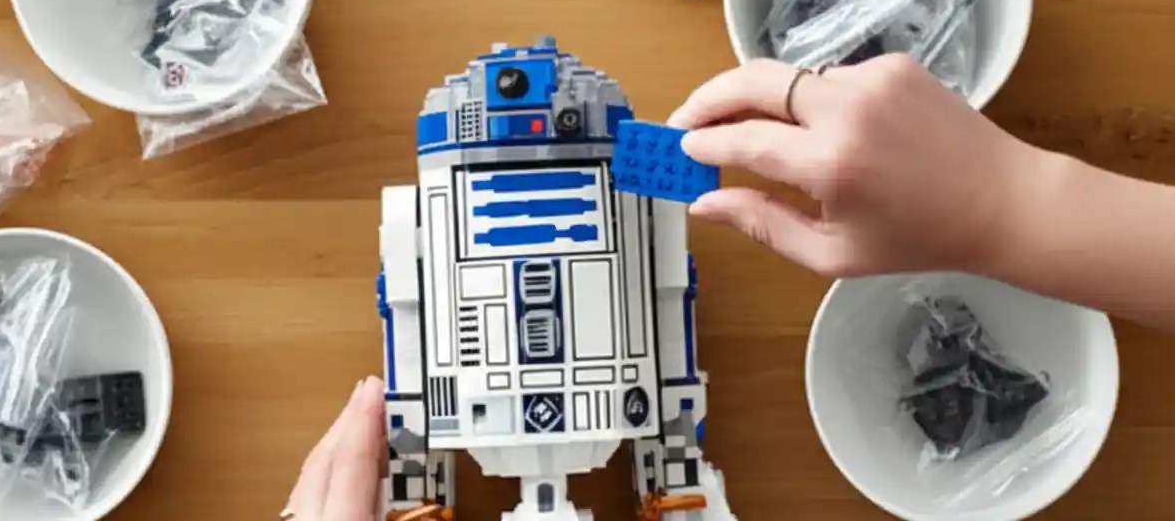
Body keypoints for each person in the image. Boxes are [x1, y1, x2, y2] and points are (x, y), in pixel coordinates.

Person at [284, 54, 1174, 517]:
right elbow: (406, 303)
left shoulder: (643, 215)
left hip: (590, 396)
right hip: (483, 403)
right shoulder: (427, 224)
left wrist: (1009, 205)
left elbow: (668, 294)